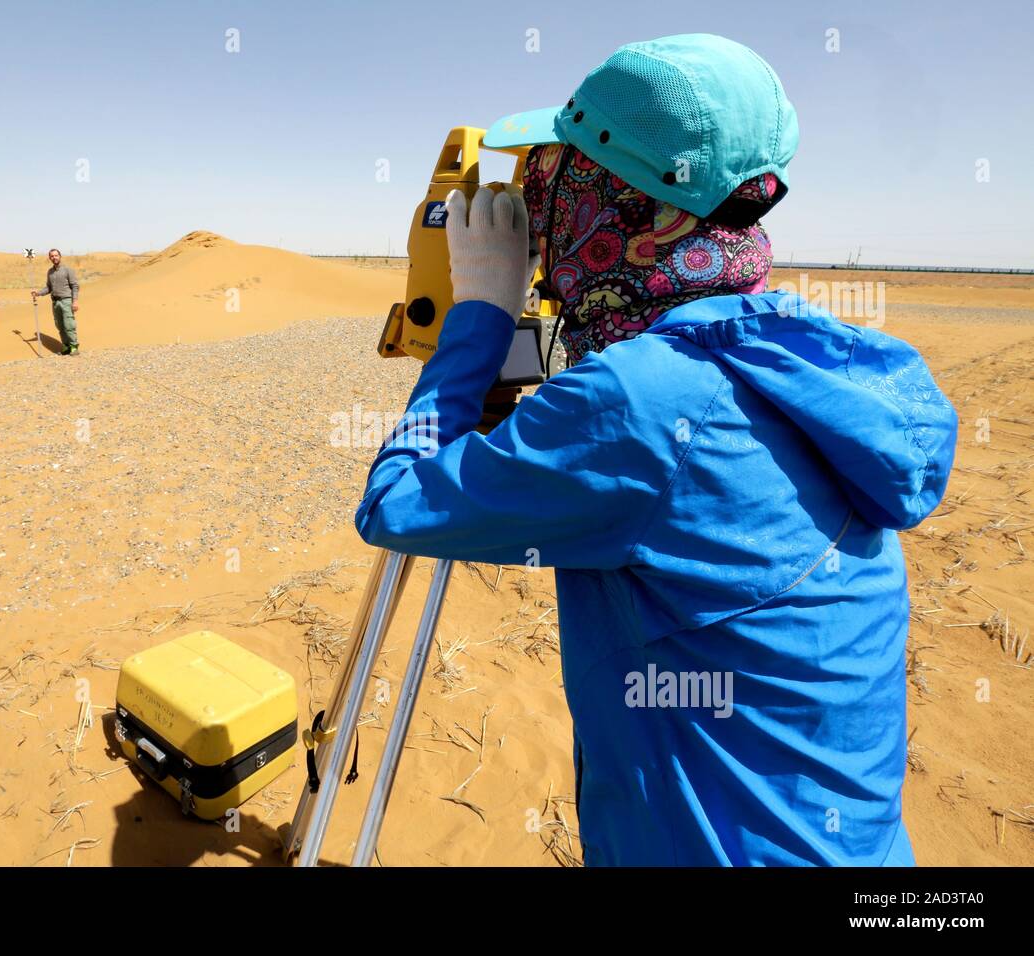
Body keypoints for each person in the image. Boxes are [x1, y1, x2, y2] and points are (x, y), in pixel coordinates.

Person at [355, 34, 957, 866]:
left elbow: (398, 500)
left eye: (562, 167)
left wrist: (482, 311)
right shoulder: (796, 352)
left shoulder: (641, 400)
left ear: (649, 212)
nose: (538, 190)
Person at [32, 248, 81, 355]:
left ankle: (74, 346)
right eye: (52, 256)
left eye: (56, 255)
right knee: (60, 325)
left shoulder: (68, 270)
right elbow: (49, 288)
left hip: (66, 301)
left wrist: (75, 301)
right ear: (50, 258)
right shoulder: (50, 272)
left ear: (60, 256)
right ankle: (66, 347)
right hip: (55, 302)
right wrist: (38, 293)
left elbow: (75, 286)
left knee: (69, 325)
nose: (54, 258)